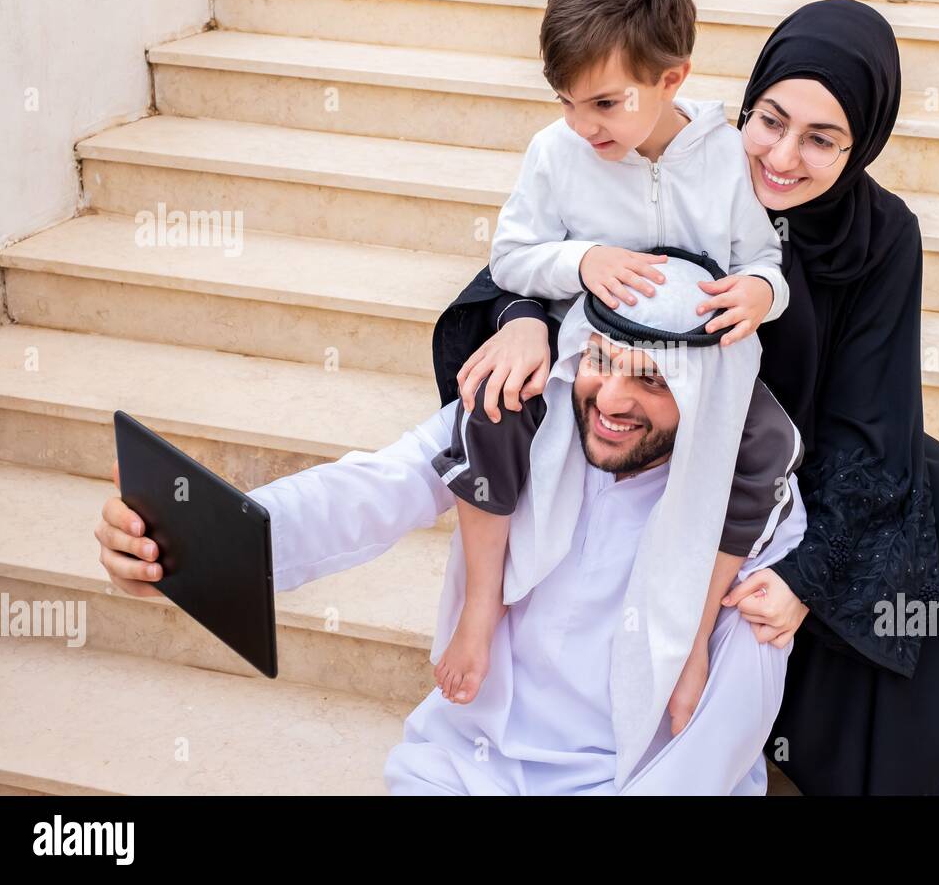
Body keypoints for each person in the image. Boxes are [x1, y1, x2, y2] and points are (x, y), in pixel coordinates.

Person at [435, 0, 939, 795]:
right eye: (771, 121)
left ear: (864, 142)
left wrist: (809, 576)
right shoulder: (683, 169)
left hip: (811, 430)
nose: (783, 156)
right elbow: (557, 266)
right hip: (672, 424)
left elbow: (871, 408)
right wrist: (520, 318)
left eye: (822, 139)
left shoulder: (881, 234)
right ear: (746, 106)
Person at [92, 253, 808, 795]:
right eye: (600, 362)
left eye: (651, 380)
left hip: (633, 776)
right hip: (471, 763)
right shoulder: (524, 415)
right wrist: (206, 547)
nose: (612, 399)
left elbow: (722, 735)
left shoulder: (755, 518)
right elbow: (375, 486)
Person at [430, 0, 801, 722]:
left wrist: (763, 293)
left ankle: (692, 637)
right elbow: (511, 257)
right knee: (491, 404)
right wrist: (582, 259)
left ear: (672, 81)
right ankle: (482, 602)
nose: (581, 124)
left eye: (604, 104)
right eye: (566, 101)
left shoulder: (724, 156)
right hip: (588, 349)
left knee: (767, 444)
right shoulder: (556, 154)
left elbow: (765, 254)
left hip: (698, 364)